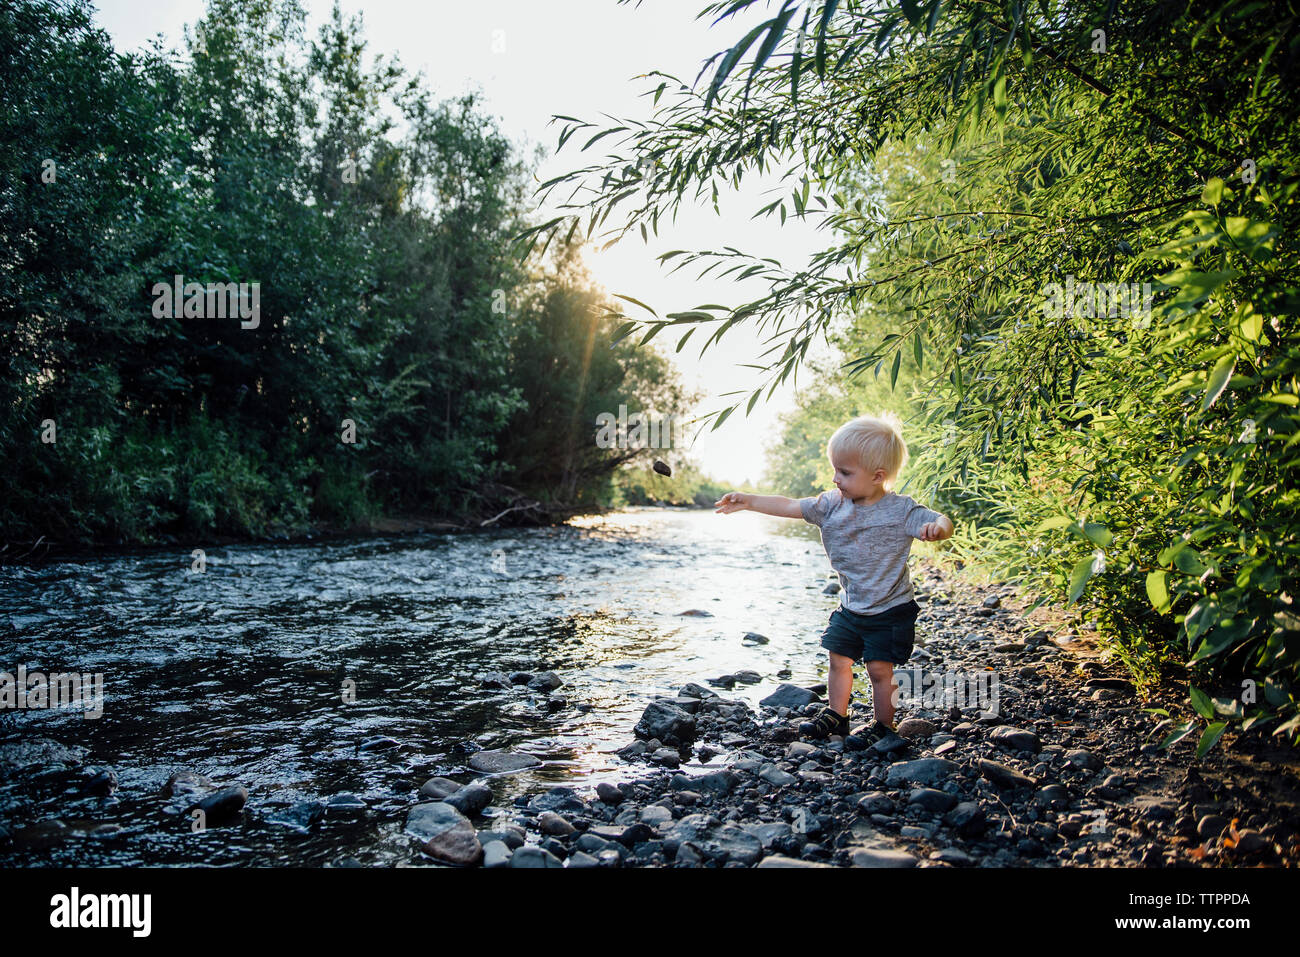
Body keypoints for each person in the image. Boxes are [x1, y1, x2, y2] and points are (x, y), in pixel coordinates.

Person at [714, 412, 954, 748]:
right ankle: (837, 715)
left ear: (877, 476)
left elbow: (940, 520)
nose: (835, 478)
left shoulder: (901, 511)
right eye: (835, 469)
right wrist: (750, 501)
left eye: (844, 472)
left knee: (879, 670)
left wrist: (938, 529)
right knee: (838, 657)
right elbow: (791, 505)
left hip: (891, 609)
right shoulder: (830, 505)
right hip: (851, 605)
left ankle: (885, 726)